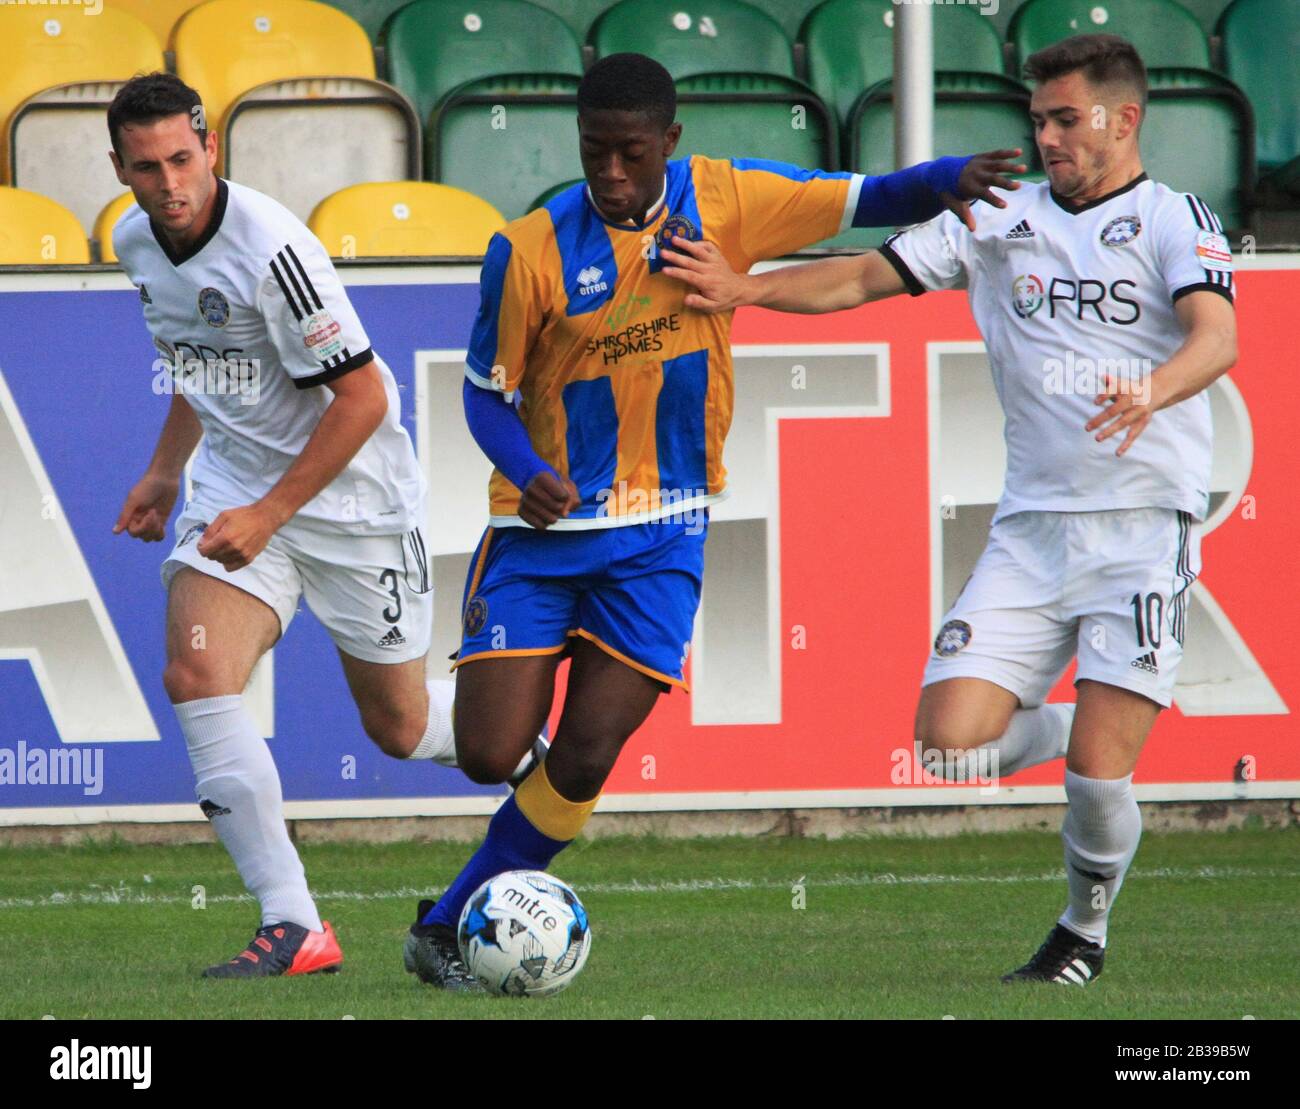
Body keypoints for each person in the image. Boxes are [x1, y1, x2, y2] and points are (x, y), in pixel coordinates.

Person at [405, 51, 1024, 989]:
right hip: (542, 542)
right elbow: (486, 396)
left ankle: (446, 926)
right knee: (490, 749)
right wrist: (528, 469)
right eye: (593, 152)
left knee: (587, 752)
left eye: (630, 152)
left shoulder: (730, 201)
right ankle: (502, 839)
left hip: (664, 534)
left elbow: (866, 195)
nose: (610, 172)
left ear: (671, 144)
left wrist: (951, 179)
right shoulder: (527, 248)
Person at [661, 34, 1237, 985]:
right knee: (948, 751)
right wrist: (741, 292)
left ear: (1123, 119)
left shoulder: (1176, 219)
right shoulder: (998, 213)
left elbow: (1216, 338)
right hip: (1029, 531)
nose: (1047, 137)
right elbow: (857, 277)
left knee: (1100, 776)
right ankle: (1076, 722)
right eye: (1039, 120)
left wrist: (1153, 389)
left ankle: (1081, 931)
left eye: (1066, 118)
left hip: (1142, 526)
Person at [108, 73, 535, 978]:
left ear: (210, 148)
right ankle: (295, 923)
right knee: (195, 670)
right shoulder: (135, 241)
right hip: (236, 488)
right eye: (146, 168)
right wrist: (164, 470)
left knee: (401, 726)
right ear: (120, 170)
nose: (170, 184)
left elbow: (363, 396)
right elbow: (201, 363)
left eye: (183, 159)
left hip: (353, 505)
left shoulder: (273, 249)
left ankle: (535, 743)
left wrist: (271, 513)